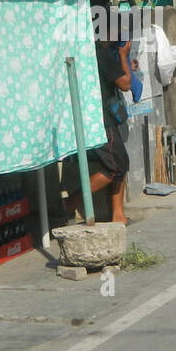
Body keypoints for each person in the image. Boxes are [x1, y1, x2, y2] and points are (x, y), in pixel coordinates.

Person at [64, 38, 132, 225]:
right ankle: (72, 201)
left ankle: (118, 214)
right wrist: (123, 56)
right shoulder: (101, 54)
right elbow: (126, 83)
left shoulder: (88, 52)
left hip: (94, 116)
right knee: (115, 166)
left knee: (121, 162)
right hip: (101, 120)